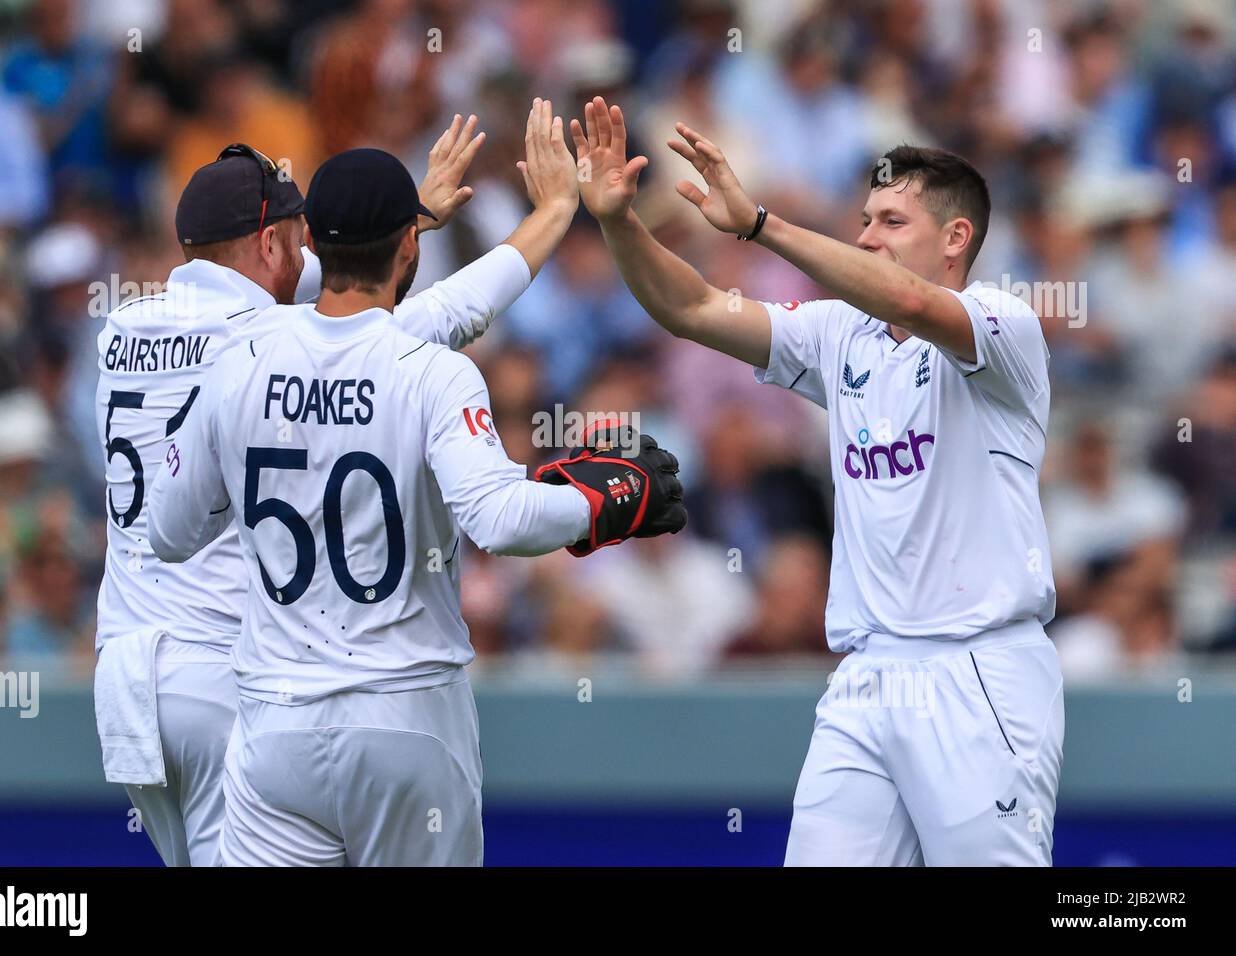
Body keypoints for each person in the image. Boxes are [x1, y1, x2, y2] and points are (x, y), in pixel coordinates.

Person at [145, 100, 685, 866]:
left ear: (311, 247)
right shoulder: (431, 371)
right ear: (412, 242)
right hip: (404, 716)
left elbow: (169, 532)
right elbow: (499, 519)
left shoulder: (242, 358)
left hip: (275, 728)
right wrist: (609, 499)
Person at [571, 95, 1062, 866]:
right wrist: (615, 221)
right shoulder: (843, 334)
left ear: (956, 237)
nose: (867, 236)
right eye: (864, 218)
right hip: (867, 673)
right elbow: (692, 306)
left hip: (979, 673)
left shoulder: (1003, 324)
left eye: (891, 222)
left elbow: (905, 298)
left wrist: (760, 224)